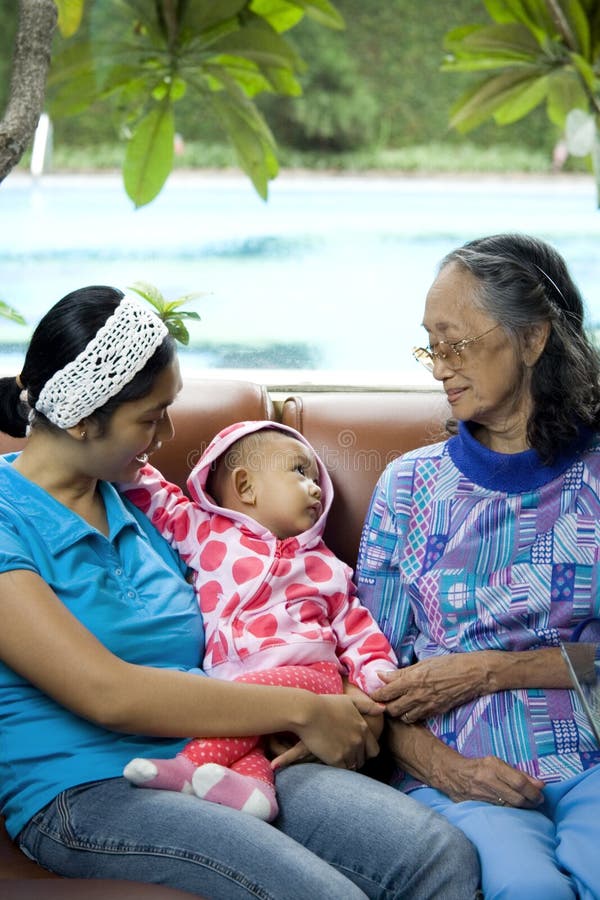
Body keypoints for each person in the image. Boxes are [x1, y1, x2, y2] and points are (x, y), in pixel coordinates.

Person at [0, 285, 480, 899]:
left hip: (217, 754)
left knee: (439, 857)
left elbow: (257, 606)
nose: (168, 433)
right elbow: (105, 693)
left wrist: (331, 694)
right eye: (150, 418)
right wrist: (302, 709)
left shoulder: (142, 502)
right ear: (82, 418)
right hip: (84, 788)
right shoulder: (8, 517)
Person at [356, 233, 600, 900]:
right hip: (464, 767)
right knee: (531, 892)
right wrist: (449, 770)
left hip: (591, 758)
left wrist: (489, 669)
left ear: (532, 340)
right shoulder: (409, 488)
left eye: (456, 342)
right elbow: (364, 673)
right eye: (430, 344)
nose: (439, 367)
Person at [119, 419, 398, 822]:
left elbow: (357, 628)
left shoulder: (324, 565)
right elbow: (158, 498)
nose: (316, 487)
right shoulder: (204, 533)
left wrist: (377, 676)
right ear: (247, 487)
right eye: (300, 472)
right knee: (246, 733)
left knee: (234, 709)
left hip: (311, 675)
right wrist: (129, 458)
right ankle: (256, 790)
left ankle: (190, 765)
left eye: (316, 477)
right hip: (231, 680)